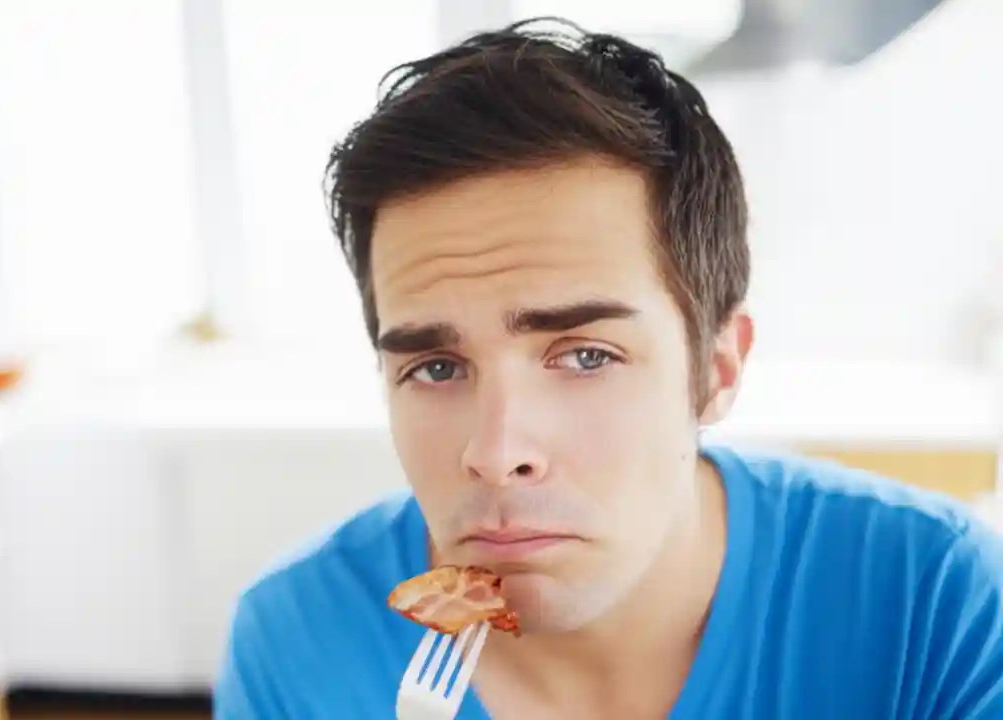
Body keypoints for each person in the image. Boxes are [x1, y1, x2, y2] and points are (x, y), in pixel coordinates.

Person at [213, 18, 1003, 719]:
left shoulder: (934, 600)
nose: (496, 453)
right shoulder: (296, 643)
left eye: (586, 356)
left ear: (718, 368)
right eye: (436, 367)